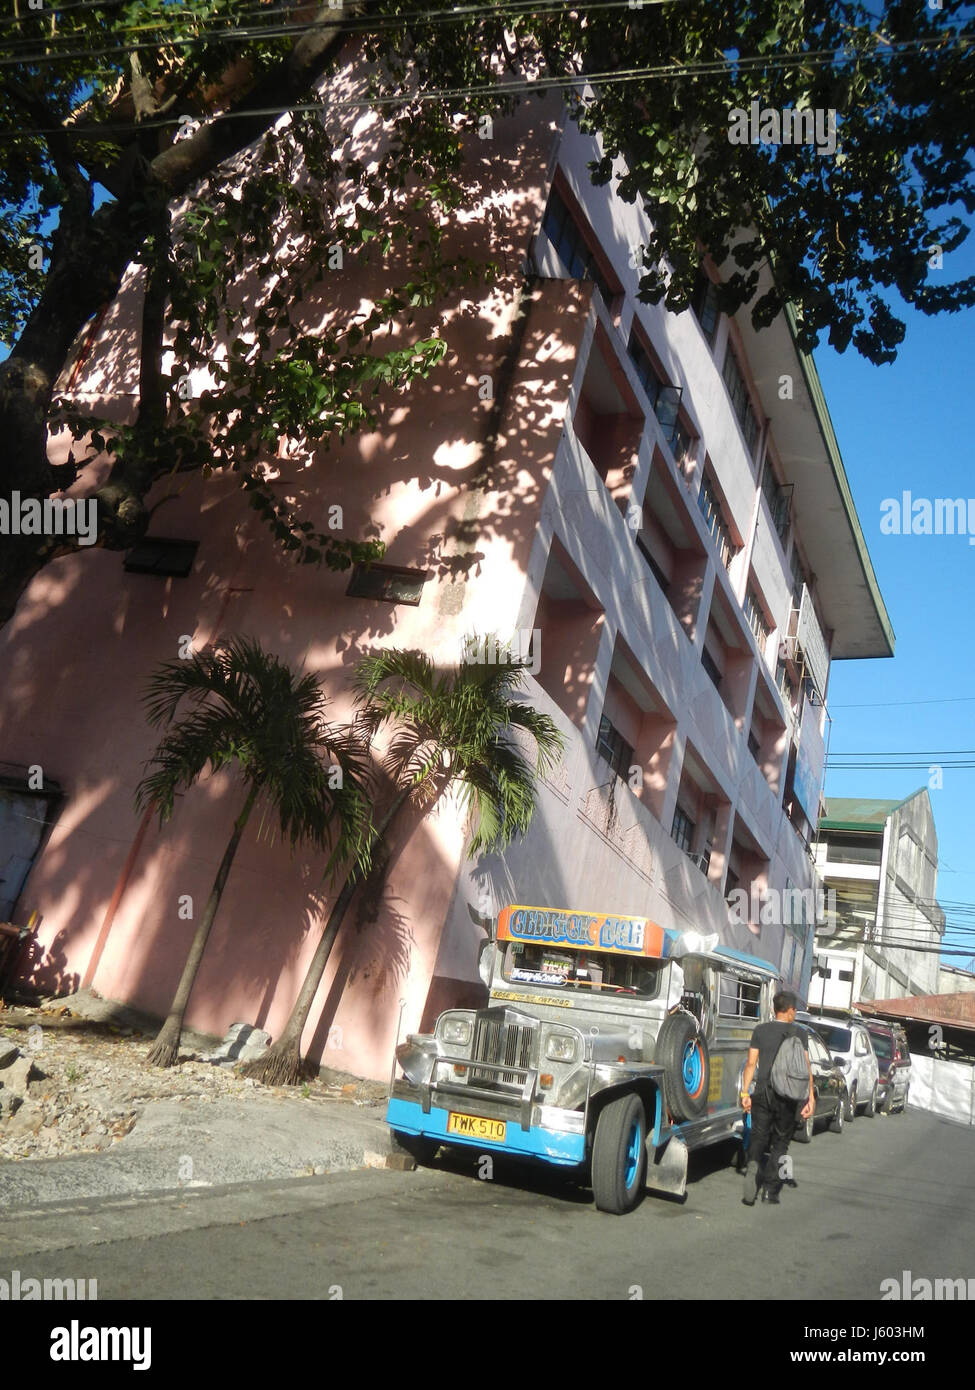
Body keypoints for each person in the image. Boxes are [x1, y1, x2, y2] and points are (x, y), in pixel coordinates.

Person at [739, 990, 814, 1206]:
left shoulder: (761, 1030)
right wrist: (809, 1097)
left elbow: (751, 1063)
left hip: (762, 1093)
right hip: (788, 1096)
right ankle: (770, 1191)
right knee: (781, 1143)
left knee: (759, 1137)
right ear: (790, 1011)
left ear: (774, 1009)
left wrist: (745, 1092)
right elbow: (805, 1067)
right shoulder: (799, 1033)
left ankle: (753, 1165)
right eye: (795, 1010)